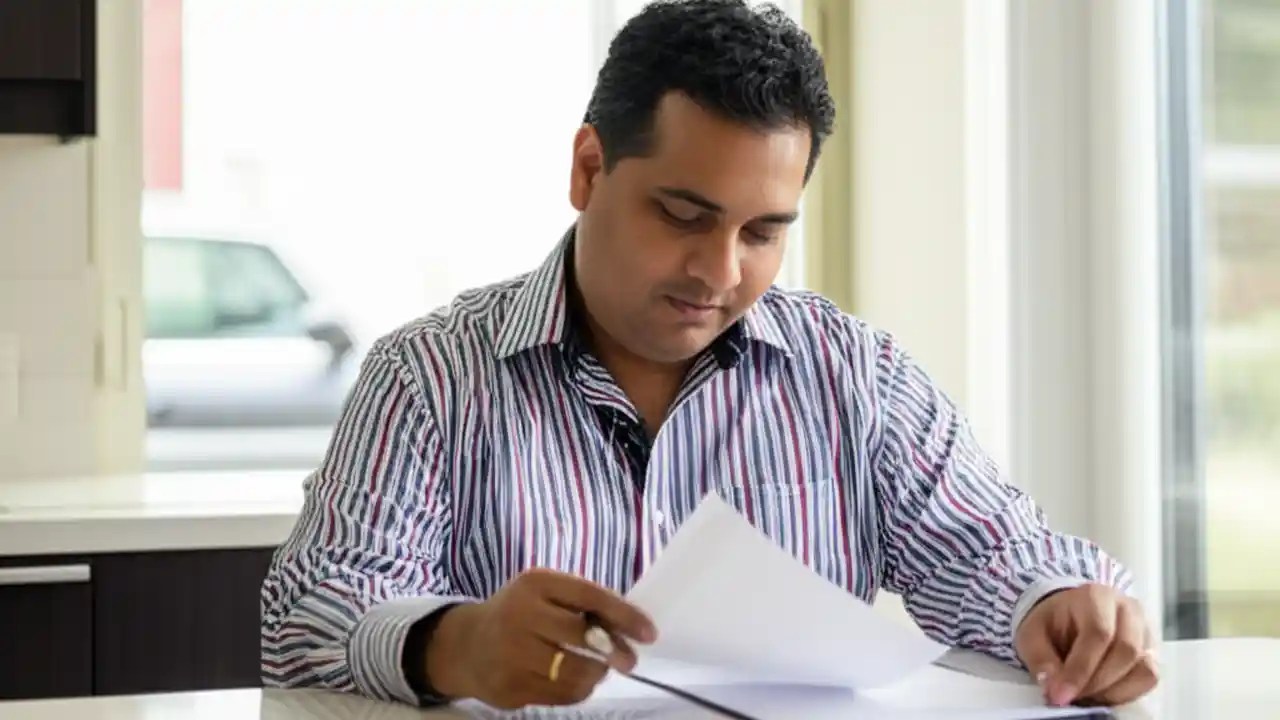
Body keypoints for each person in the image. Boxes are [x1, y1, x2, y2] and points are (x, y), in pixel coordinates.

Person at [261, 0, 1158, 711]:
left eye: (763, 233)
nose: (720, 273)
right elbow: (306, 620)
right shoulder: (430, 378)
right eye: (683, 216)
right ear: (588, 170)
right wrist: (458, 644)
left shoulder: (853, 373)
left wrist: (1059, 604)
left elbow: (993, 552)